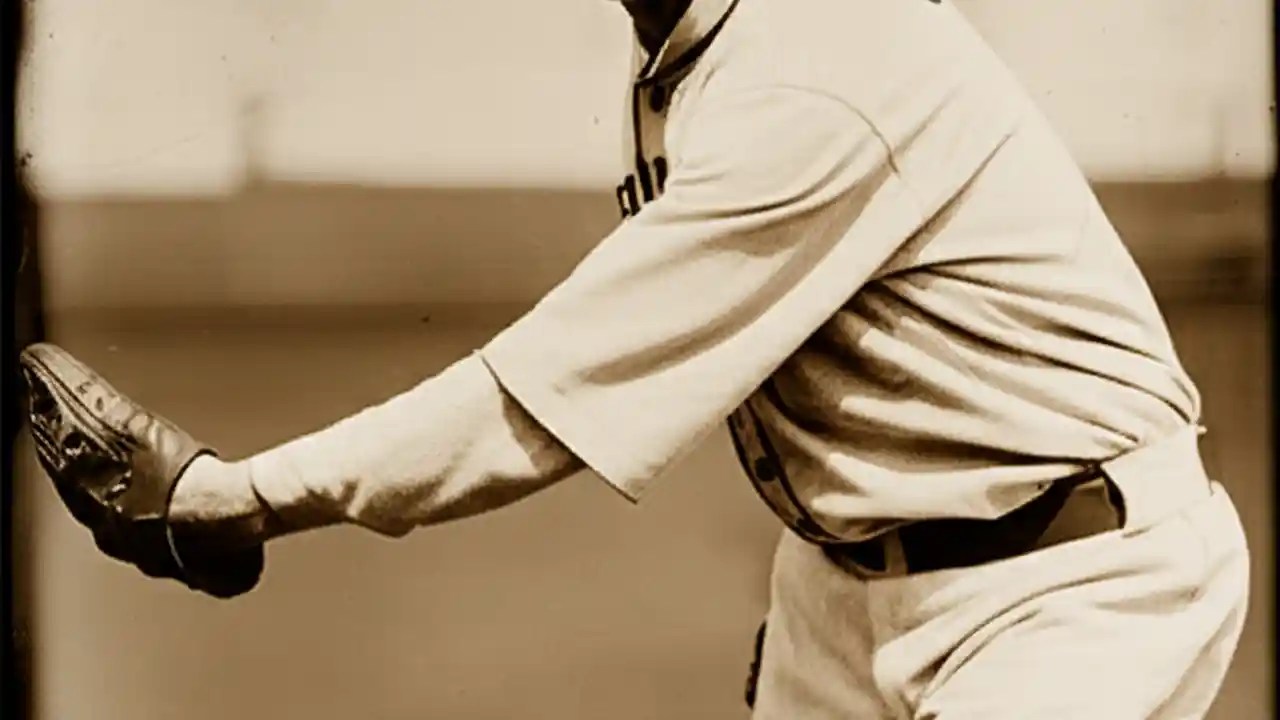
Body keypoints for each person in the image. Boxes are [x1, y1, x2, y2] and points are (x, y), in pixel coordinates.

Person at [21, 0, 1250, 717]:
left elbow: (533, 405)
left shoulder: (827, 64)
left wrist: (232, 500)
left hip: (1073, 577)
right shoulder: (677, 51)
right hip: (844, 580)